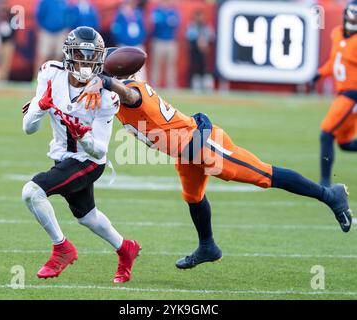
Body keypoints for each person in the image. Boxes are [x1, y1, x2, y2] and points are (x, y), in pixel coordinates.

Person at [77, 50, 353, 270]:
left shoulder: (130, 92)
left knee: (262, 175)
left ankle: (330, 195)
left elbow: (128, 95)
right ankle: (208, 246)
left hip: (203, 144)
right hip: (185, 152)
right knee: (193, 196)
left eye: (104, 69)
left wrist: (105, 80)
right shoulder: (113, 97)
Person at [22, 27, 140, 282]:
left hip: (88, 161)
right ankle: (126, 248)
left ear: (100, 60)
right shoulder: (50, 73)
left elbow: (100, 150)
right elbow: (28, 129)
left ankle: (61, 248)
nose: (85, 63)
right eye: (80, 55)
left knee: (32, 192)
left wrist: (84, 136)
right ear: (68, 54)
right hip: (63, 156)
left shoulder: (107, 96)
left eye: (91, 57)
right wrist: (40, 107)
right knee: (88, 217)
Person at [312, 1, 357, 187]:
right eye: (351, 14)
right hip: (343, 94)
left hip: (352, 94)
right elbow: (334, 61)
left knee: (326, 133)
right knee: (344, 143)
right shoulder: (337, 33)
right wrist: (320, 73)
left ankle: (324, 182)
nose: (352, 19)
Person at [110, 0, 147, 80]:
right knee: (123, 65)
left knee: (140, 65)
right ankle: (122, 81)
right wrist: (121, 41)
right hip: (124, 45)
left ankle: (141, 83)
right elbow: (115, 29)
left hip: (137, 44)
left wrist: (139, 40)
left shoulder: (138, 14)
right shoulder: (120, 15)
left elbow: (143, 29)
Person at [34, 0, 70, 77]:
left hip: (61, 32)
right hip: (46, 31)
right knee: (42, 56)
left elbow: (68, 16)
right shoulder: (45, 2)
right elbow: (39, 15)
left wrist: (66, 27)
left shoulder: (64, 2)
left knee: (58, 57)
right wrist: (42, 27)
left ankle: (53, 79)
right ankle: (37, 78)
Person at [150, 0, 180, 89]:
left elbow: (176, 23)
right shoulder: (157, 11)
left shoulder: (173, 11)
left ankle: (171, 85)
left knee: (171, 65)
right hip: (158, 40)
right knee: (156, 64)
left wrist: (165, 21)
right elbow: (157, 24)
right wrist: (167, 21)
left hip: (171, 41)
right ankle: (154, 85)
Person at [186, 10, 215, 92]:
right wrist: (198, 40)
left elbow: (212, 36)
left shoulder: (206, 26)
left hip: (204, 52)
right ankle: (196, 86)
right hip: (195, 51)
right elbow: (189, 36)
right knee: (195, 68)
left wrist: (204, 42)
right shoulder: (192, 26)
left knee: (205, 68)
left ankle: (206, 86)